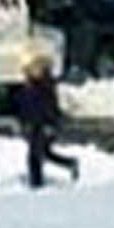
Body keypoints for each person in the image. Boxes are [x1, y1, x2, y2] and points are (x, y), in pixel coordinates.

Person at [13, 50, 79, 189]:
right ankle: (69, 164)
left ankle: (36, 183)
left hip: (43, 125)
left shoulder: (46, 86)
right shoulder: (29, 85)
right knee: (45, 153)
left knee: (34, 156)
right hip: (32, 124)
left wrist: (50, 124)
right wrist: (21, 121)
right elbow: (22, 104)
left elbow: (49, 107)